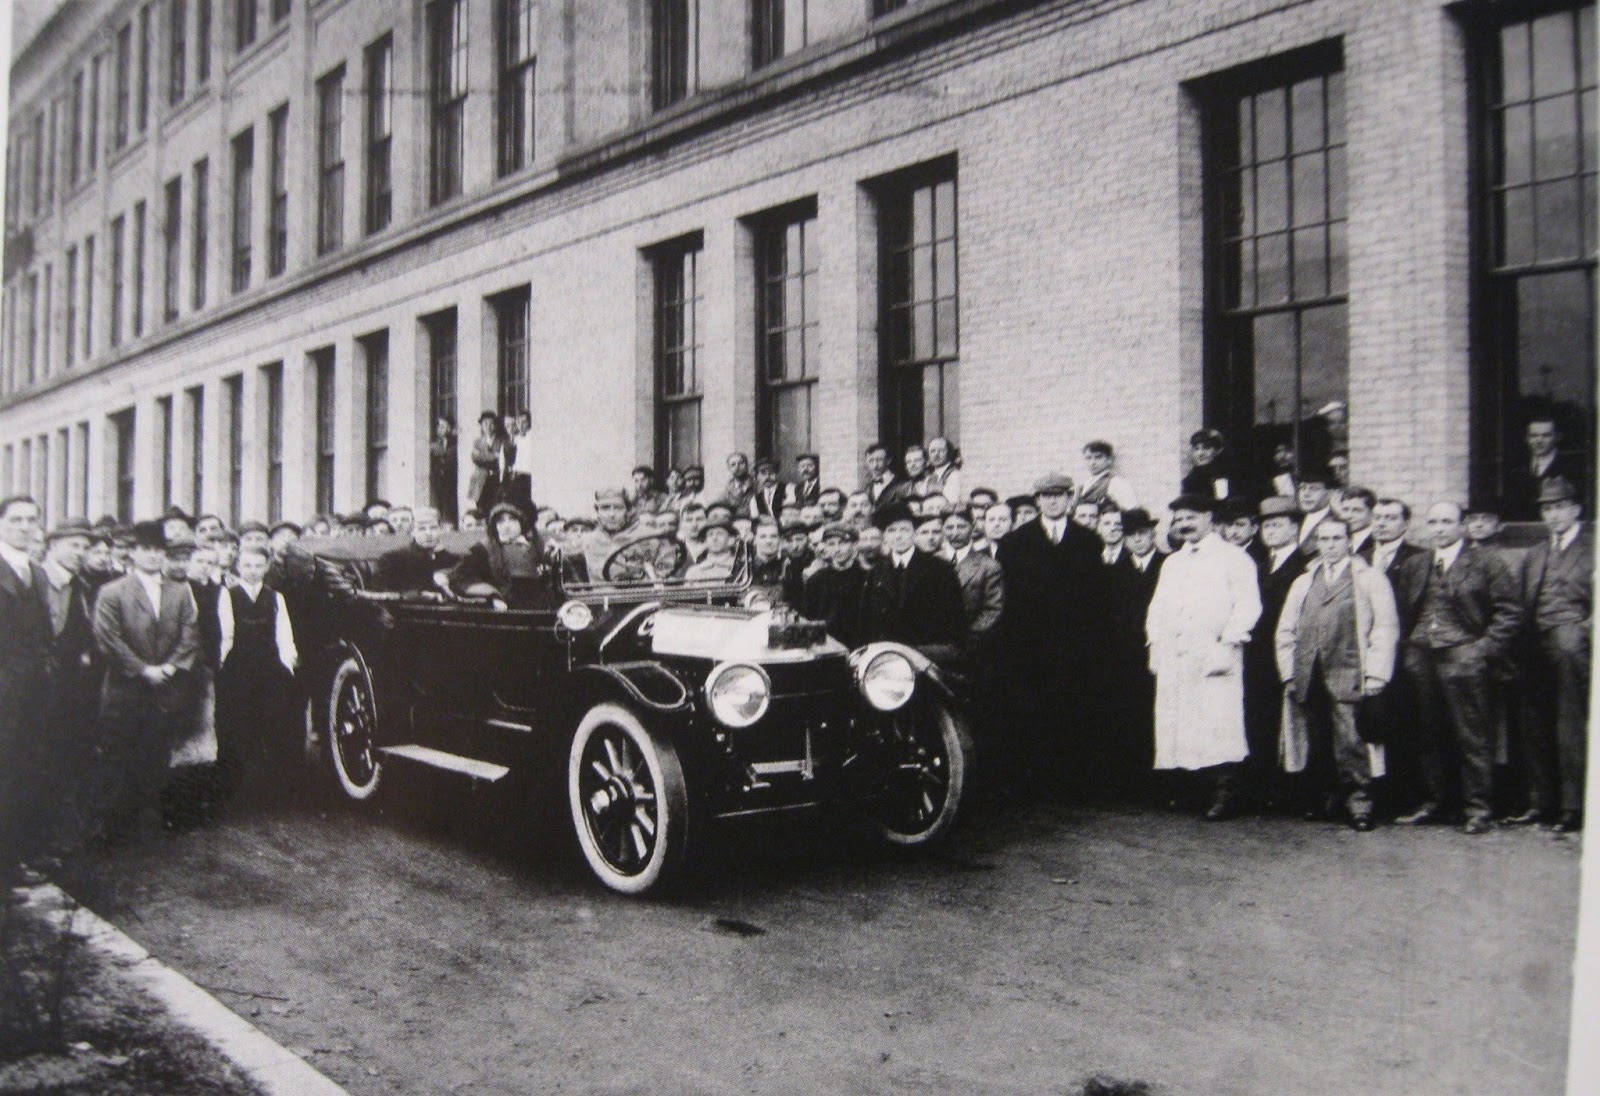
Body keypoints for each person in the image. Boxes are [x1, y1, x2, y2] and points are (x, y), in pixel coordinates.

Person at [1389, 502, 1524, 833]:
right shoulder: (1415, 564)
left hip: (1464, 656)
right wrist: (1408, 649)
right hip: (1421, 657)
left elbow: (1510, 612)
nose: (1439, 528)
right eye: (1433, 521)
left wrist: (1481, 650)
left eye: (1447, 521)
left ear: (1462, 526)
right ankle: (1435, 802)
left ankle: (1478, 808)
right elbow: (1403, 612)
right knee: (1428, 733)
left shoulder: (1485, 563)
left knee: (1471, 735)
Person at [1275, 517, 1400, 831]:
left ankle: (1360, 803)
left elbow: (1385, 628)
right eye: (1323, 539)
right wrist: (1289, 673)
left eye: (1336, 539)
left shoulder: (1369, 579)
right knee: (1315, 739)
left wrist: (1376, 675)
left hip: (1349, 671)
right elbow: (1286, 630)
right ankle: (1325, 798)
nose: (1329, 546)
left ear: (1348, 541)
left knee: (1352, 739)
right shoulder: (1304, 581)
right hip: (1310, 673)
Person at [1145, 495, 1262, 819]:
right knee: (1182, 722)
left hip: (1214, 652)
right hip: (1177, 655)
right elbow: (1158, 608)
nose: (1184, 524)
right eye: (1179, 519)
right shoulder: (1173, 562)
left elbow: (1248, 605)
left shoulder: (1233, 558)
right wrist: (1156, 643)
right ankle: (1191, 790)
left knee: (1218, 722)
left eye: (1191, 517)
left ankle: (1225, 793)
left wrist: (1228, 642)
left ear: (1209, 517)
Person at [90, 522, 201, 843]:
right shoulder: (113, 592)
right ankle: (113, 829)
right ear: (134, 553)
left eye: (157, 551)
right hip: (126, 691)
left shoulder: (180, 592)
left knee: (155, 757)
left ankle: (147, 826)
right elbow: (108, 638)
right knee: (119, 758)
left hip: (165, 690)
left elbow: (190, 634)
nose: (152, 556)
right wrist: (143, 669)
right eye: (146, 550)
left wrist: (170, 667)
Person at [995, 472, 1107, 789]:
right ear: (1037, 500)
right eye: (1046, 496)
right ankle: (1037, 780)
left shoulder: (1088, 541)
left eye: (1058, 495)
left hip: (1074, 645)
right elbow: (1009, 600)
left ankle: (1071, 780)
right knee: (1035, 711)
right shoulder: (1015, 543)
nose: (1052, 501)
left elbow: (1096, 599)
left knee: (1073, 708)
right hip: (1032, 645)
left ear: (1070, 498)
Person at [1513, 477, 1589, 833]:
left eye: (1560, 507)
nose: (1554, 514)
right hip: (1534, 647)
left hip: (1572, 647)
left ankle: (1573, 807)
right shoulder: (1536, 553)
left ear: (1576, 509)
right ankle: (1540, 802)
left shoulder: (1592, 549)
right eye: (1547, 508)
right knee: (1534, 724)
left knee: (1569, 724)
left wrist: (1581, 633)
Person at [216, 544, 300, 803]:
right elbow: (225, 636)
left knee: (273, 725)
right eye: (247, 566)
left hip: (269, 670)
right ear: (238, 567)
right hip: (238, 669)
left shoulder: (276, 597)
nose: (252, 571)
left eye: (258, 566)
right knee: (237, 726)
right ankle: (233, 790)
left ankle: (272, 789)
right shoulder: (227, 595)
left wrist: (286, 664)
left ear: (266, 567)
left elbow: (284, 635)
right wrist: (224, 667)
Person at [37, 517, 101, 857]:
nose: (80, 552)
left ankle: (59, 838)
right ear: (53, 545)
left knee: (66, 758)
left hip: (70, 691)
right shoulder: (34, 581)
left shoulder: (81, 587)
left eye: (84, 546)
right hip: (35, 689)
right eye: (73, 545)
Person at [0, 497, 55, 889]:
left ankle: (18, 854)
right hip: (5, 689)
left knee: (26, 767)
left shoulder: (35, 571)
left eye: (30, 520)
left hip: (33, 690)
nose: (24, 526)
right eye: (15, 520)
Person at [1242, 496, 1309, 811]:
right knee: (1259, 718)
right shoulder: (1258, 564)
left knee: (1288, 723)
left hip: (1284, 653)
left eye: (1278, 524)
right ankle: (1261, 785)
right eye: (1267, 525)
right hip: (1257, 655)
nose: (1270, 531)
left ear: (1295, 528)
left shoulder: (1303, 566)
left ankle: (1288, 790)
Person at [860, 503, 965, 661]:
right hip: (886, 658)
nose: (898, 536)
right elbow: (866, 621)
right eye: (891, 530)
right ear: (884, 536)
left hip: (926, 657)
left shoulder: (939, 570)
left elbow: (954, 621)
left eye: (904, 530)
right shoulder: (876, 572)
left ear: (914, 533)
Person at [449, 503, 553, 608]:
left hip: (538, 609)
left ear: (522, 522)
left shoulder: (536, 545)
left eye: (512, 519)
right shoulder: (483, 550)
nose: (506, 526)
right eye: (500, 521)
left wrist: (554, 556)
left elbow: (560, 578)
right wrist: (492, 595)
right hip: (501, 611)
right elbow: (458, 578)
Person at [945, 507, 1003, 656]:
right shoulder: (931, 562)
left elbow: (993, 609)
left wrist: (969, 636)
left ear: (972, 527)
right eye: (949, 527)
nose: (955, 533)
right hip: (935, 642)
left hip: (973, 645)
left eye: (961, 527)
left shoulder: (988, 566)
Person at [1507, 414, 1587, 522]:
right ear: (1526, 438)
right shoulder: (1517, 467)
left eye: (1546, 435)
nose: (1539, 440)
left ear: (1557, 437)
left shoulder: (1572, 468)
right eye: (1534, 436)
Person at [804, 524, 867, 648]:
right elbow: (810, 619)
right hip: (826, 646)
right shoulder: (816, 580)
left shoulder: (867, 578)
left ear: (855, 546)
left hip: (860, 646)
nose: (837, 549)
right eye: (831, 544)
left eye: (842, 543)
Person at [375, 507, 459, 592]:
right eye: (421, 529)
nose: (428, 533)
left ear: (441, 530)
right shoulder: (393, 559)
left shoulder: (453, 559)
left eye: (433, 528)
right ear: (412, 531)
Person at [1078, 441, 1138, 511]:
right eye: (1088, 458)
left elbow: (1132, 511)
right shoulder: (1085, 484)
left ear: (1109, 460)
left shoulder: (1117, 483)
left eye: (1098, 457)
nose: (1092, 462)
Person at [1180, 429, 1235, 501]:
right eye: (1196, 449)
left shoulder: (1221, 476)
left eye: (1206, 448)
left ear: (1218, 450)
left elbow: (1222, 504)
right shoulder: (1189, 479)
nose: (1200, 453)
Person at [469, 411, 506, 515]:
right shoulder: (477, 442)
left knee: (496, 507)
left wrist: (485, 457)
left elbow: (502, 459)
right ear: (481, 426)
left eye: (491, 424)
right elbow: (476, 458)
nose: (488, 427)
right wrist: (493, 456)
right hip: (481, 480)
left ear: (495, 425)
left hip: (496, 479)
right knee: (481, 508)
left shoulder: (501, 441)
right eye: (485, 424)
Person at [685, 515, 740, 583]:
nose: (714, 538)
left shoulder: (740, 568)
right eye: (710, 534)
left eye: (720, 534)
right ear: (705, 541)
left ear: (731, 540)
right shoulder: (694, 572)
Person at [1294, 469, 1335, 552]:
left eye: (1314, 489)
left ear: (1330, 493)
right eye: (1302, 488)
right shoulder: (1296, 519)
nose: (1306, 494)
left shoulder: (1334, 521)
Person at [504, 412, 536, 514]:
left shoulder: (533, 438)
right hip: (517, 475)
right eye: (518, 422)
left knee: (528, 503)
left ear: (529, 423)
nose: (521, 425)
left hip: (529, 474)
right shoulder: (516, 439)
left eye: (524, 422)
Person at [430, 416, 459, 525]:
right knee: (440, 506)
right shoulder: (435, 445)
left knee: (451, 507)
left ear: (450, 428)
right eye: (439, 426)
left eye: (444, 426)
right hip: (439, 481)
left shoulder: (456, 443)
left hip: (452, 481)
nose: (441, 429)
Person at [925, 437, 963, 505]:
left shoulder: (954, 475)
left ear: (949, 453)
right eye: (932, 451)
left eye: (941, 450)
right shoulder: (929, 477)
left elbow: (952, 501)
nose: (936, 454)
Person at [862, 443, 901, 509]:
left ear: (888, 461)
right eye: (871, 461)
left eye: (879, 460)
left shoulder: (900, 482)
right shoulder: (866, 486)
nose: (875, 465)